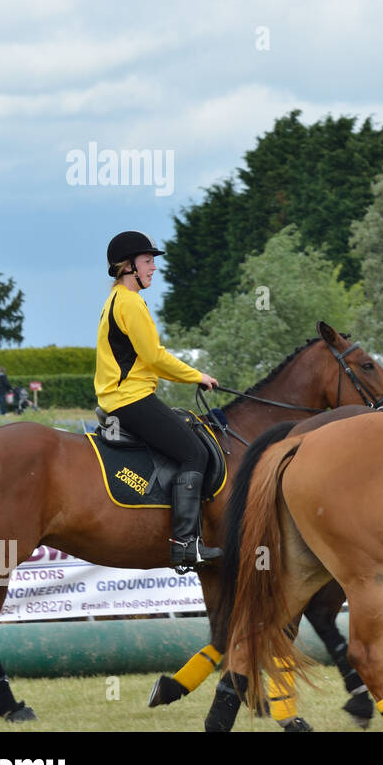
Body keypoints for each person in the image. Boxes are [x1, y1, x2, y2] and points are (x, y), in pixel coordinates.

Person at [95, 231, 221, 572]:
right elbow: (154, 356)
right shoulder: (131, 302)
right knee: (193, 451)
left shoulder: (116, 299)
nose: (153, 268)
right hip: (130, 398)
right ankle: (185, 544)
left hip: (121, 397)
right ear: (128, 266)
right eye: (148, 261)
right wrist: (197, 375)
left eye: (153, 262)